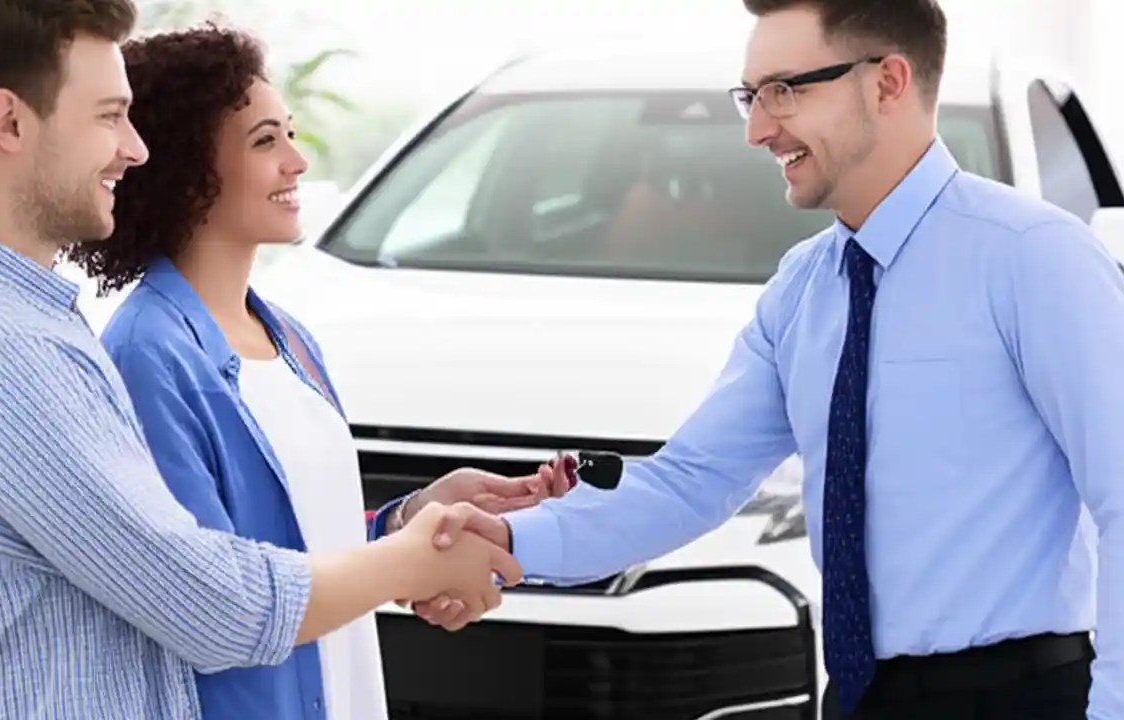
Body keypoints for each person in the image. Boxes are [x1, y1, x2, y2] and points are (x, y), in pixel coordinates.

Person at [436, 0, 1124, 718]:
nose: (759, 129)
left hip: (1020, 698)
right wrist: (499, 541)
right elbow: (689, 482)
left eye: (784, 91)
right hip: (857, 696)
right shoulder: (803, 289)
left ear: (886, 82)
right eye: (750, 95)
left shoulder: (1032, 257)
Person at [0, 2, 521, 718]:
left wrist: (404, 532)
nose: (135, 150)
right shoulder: (0, 356)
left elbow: (221, 553)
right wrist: (412, 559)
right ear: (9, 122)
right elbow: (211, 606)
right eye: (108, 116)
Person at [65, 24, 567, 720]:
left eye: (289, 134)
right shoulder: (148, 356)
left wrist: (415, 521)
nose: (297, 162)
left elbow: (305, 549)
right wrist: (416, 562)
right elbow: (217, 598)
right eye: (266, 141)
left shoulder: (288, 337)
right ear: (186, 170)